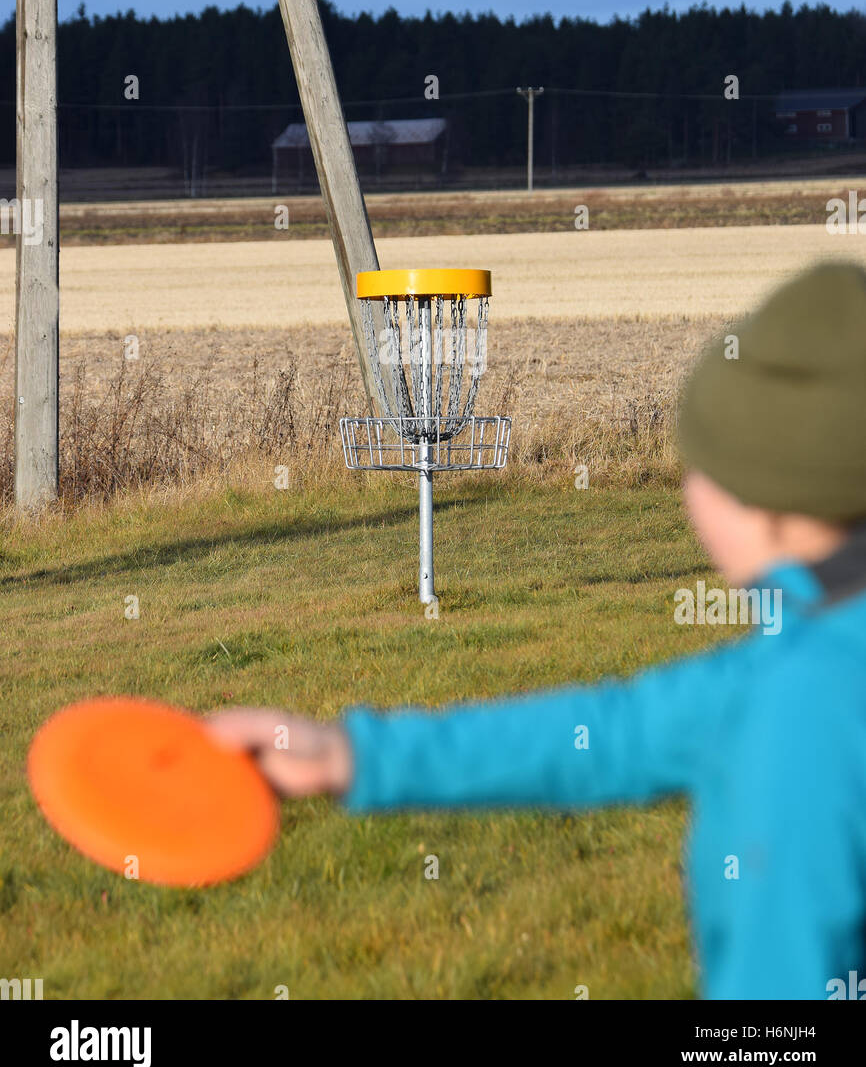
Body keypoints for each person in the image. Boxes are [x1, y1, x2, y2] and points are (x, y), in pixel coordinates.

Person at [206, 260, 866, 1000]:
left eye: (700, 466)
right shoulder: (804, 653)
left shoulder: (798, 709)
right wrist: (350, 754)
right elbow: (609, 733)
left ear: (765, 502)